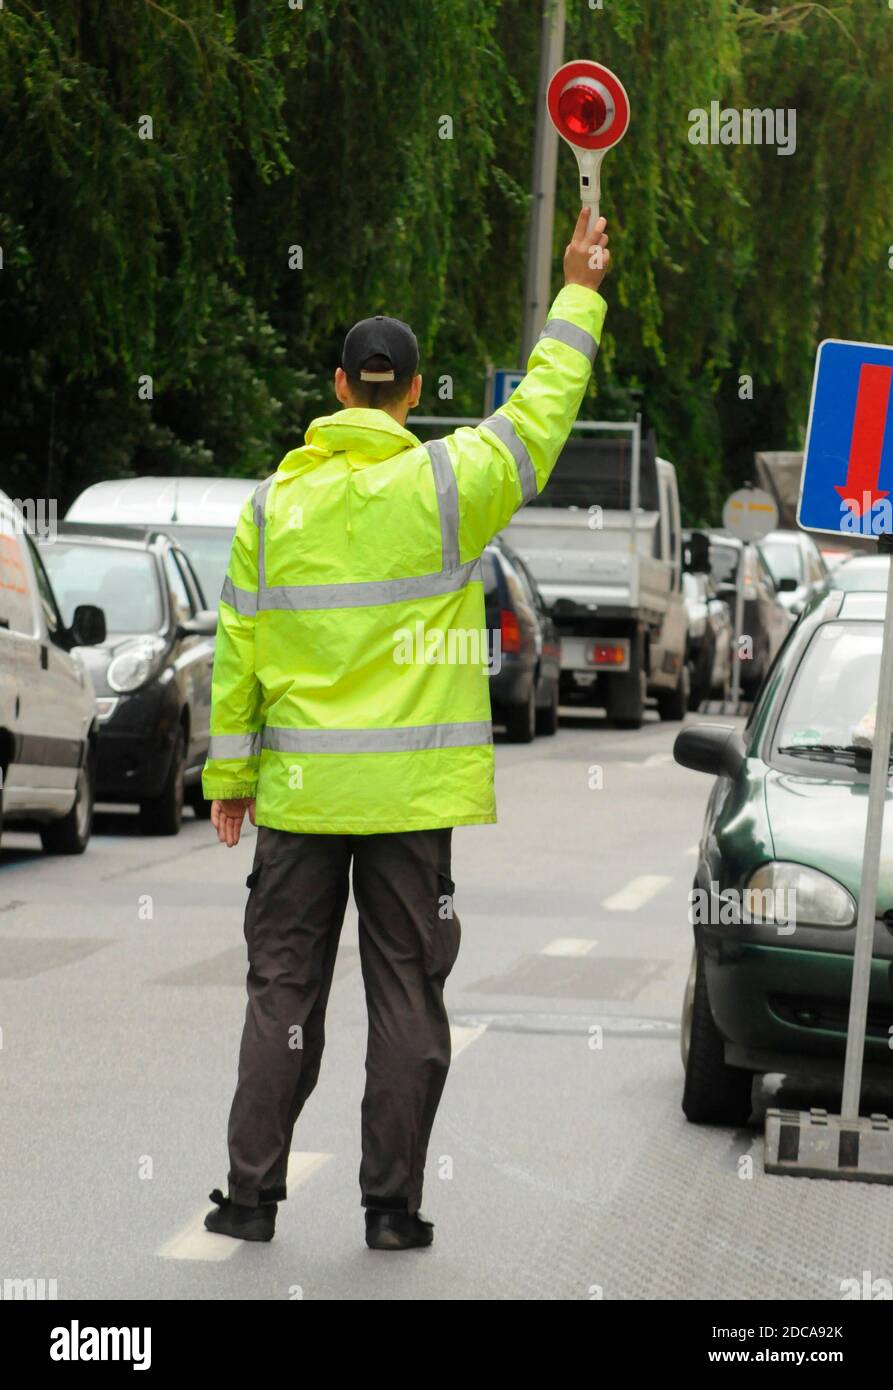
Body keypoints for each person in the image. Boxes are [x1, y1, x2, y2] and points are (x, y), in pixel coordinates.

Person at [200, 207, 612, 1250]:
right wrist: (578, 288)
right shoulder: (447, 483)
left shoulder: (269, 511)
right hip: (410, 807)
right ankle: (390, 1208)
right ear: (414, 394)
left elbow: (237, 659)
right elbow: (543, 412)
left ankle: (251, 1196)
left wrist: (229, 782)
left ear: (339, 391)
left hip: (297, 802)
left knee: (282, 993)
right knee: (406, 998)